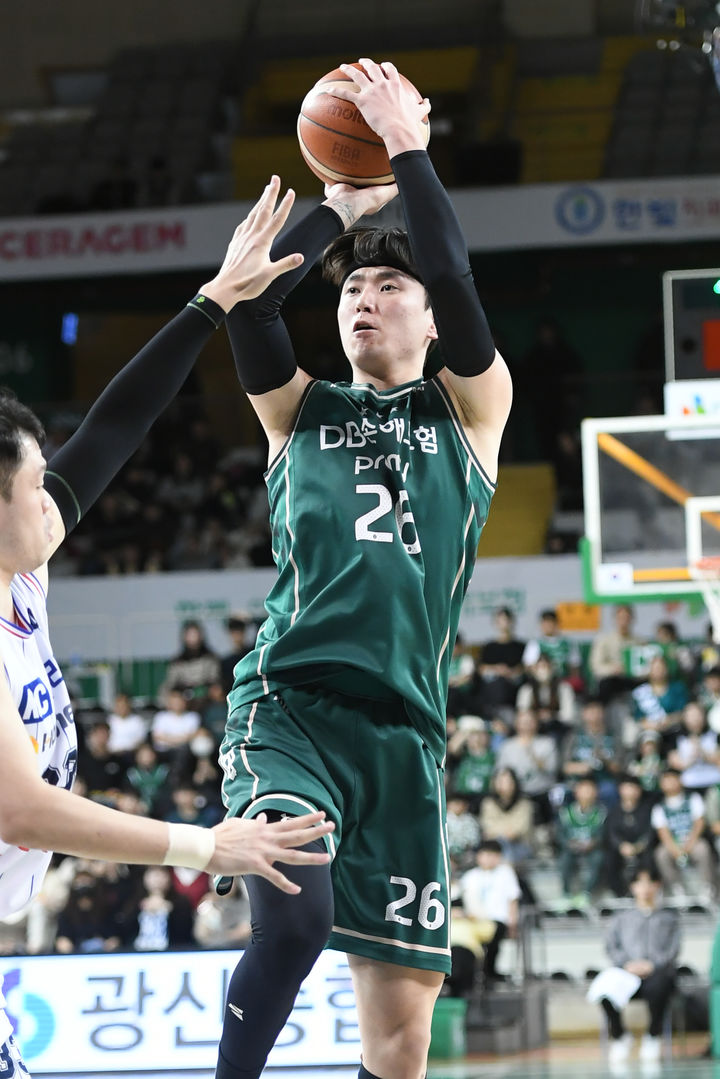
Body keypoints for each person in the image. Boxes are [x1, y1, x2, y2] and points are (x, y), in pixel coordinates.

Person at [214, 58, 512, 1079]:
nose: (364, 299)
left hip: (405, 734)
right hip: (293, 706)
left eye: (392, 285)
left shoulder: (470, 412)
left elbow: (461, 279)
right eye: (353, 288)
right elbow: (253, 309)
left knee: (401, 1043)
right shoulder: (298, 410)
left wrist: (413, 157)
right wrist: (339, 211)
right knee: (296, 923)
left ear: (430, 322)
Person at [0, 177, 336, 1073]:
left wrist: (211, 302)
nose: (53, 500)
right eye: (36, 489)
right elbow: (21, 807)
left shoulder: (19, 569)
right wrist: (205, 842)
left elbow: (113, 426)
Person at [591, 865, 680, 1065]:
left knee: (662, 984)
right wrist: (627, 964)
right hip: (627, 972)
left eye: (650, 882)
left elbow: (673, 950)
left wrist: (652, 965)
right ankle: (620, 1036)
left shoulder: (669, 919)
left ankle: (653, 1035)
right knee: (604, 987)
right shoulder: (622, 919)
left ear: (657, 886)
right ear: (633, 887)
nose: (645, 888)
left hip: (656, 973)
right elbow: (611, 947)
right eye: (640, 883)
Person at [651, 768, 716, 901]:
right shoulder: (659, 807)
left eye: (672, 778)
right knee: (661, 854)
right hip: (673, 844)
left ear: (680, 780)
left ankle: (708, 888)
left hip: (692, 841)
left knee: (703, 849)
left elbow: (699, 823)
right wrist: (676, 851)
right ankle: (677, 888)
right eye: (666, 780)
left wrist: (689, 845)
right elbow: (663, 833)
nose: (669, 782)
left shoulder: (693, 799)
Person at [556, 776, 607, 908]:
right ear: (576, 792)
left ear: (596, 792)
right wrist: (568, 843)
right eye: (583, 789)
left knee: (598, 858)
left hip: (592, 848)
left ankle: (586, 894)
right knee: (564, 859)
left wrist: (594, 843)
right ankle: (566, 894)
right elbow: (560, 834)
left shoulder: (601, 812)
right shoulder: (566, 812)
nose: (586, 793)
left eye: (590, 790)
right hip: (571, 847)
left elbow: (603, 834)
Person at [604, 773, 654, 897]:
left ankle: (644, 893)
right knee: (608, 858)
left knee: (650, 857)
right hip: (620, 848)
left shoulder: (647, 810)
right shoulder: (614, 812)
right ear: (620, 790)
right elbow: (611, 833)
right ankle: (618, 893)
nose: (630, 791)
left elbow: (650, 832)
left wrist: (638, 847)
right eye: (627, 787)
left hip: (642, 848)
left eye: (633, 788)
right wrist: (621, 846)